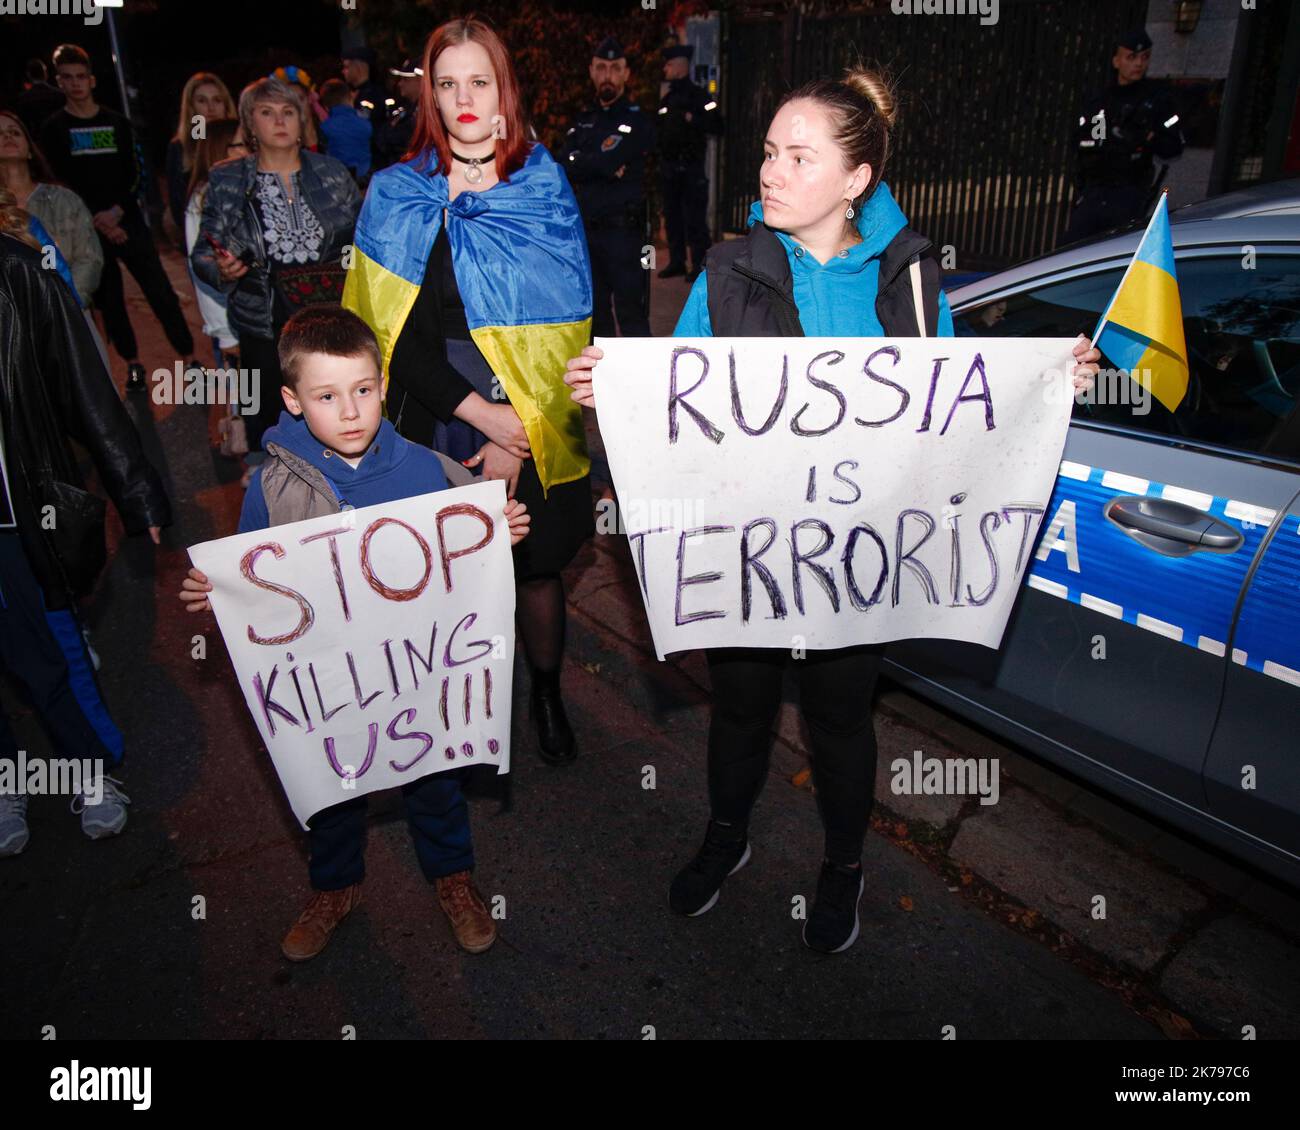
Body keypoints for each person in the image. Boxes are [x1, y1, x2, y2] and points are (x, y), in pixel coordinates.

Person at [565, 67, 1101, 953]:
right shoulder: (729, 268)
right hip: (747, 552)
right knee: (739, 708)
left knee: (841, 718)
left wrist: (1047, 382)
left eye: (798, 156)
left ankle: (843, 865)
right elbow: (681, 400)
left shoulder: (909, 276)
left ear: (855, 180)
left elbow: (950, 408)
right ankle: (727, 839)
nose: (770, 172)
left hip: (857, 562)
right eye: (769, 152)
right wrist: (609, 395)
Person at [178, 306, 530, 958]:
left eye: (364, 390)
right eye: (327, 396)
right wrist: (216, 593)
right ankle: (335, 884)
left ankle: (452, 877)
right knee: (333, 781)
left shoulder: (426, 469)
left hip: (417, 672)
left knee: (435, 774)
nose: (350, 411)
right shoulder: (272, 487)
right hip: (331, 680)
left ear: (381, 384)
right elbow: (254, 577)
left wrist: (497, 536)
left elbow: (465, 552)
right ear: (291, 399)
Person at [343, 17, 595, 766]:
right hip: (438, 412)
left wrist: (518, 430)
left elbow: (570, 327)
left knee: (535, 568)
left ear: (504, 91)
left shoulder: (543, 187)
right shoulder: (396, 193)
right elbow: (389, 338)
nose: (462, 98)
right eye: (445, 82)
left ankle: (544, 693)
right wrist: (482, 417)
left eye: (477, 81)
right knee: (440, 580)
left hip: (535, 416)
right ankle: (448, 715)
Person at [0, 224, 170, 858]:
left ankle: (86, 772)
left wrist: (136, 491)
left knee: (46, 657)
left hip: (15, 517)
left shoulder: (16, 270)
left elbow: (82, 386)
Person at [190, 75, 360, 482]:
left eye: (289, 112)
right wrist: (220, 268)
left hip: (329, 313)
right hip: (263, 319)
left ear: (303, 121)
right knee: (272, 413)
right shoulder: (228, 179)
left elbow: (365, 241)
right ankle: (278, 494)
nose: (280, 121)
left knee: (332, 400)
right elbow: (201, 254)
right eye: (267, 113)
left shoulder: (334, 174)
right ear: (250, 124)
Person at [39, 43, 196, 393]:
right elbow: (57, 179)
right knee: (110, 300)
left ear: (92, 80)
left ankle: (188, 357)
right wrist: (96, 220)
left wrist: (116, 213)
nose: (76, 84)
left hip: (125, 221)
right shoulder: (53, 130)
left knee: (160, 291)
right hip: (87, 229)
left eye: (81, 77)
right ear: (59, 82)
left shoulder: (117, 123)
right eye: (67, 78)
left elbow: (137, 172)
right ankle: (133, 364)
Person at [561, 35, 654, 339]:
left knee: (632, 316)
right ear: (591, 71)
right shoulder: (583, 119)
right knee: (594, 318)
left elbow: (597, 163)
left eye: (615, 68)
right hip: (588, 235)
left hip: (625, 236)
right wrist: (599, 164)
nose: (607, 75)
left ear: (626, 74)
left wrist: (588, 162)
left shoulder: (636, 120)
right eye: (601, 68)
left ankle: (641, 385)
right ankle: (600, 386)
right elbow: (565, 163)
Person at [1063, 27, 1184, 244]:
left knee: (1117, 254)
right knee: (1072, 251)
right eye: (1131, 57)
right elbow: (1080, 141)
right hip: (1094, 191)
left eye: (1144, 57)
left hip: (1129, 193)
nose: (1139, 64)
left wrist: (1148, 138)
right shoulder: (1099, 99)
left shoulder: (1156, 101)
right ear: (1116, 61)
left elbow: (1173, 147)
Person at [0, 109, 102, 304]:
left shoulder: (64, 199)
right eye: (0, 133)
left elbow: (89, 259)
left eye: (15, 132)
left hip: (70, 312)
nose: (7, 136)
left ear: (30, 150)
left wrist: (68, 306)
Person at [656, 43, 721, 283]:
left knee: (695, 218)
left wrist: (693, 119)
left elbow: (717, 125)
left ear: (681, 66)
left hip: (692, 168)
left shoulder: (700, 96)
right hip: (670, 168)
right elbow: (660, 130)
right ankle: (676, 261)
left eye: (669, 65)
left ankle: (699, 264)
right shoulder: (668, 97)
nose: (666, 69)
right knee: (672, 217)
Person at [182, 118, 242, 364]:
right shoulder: (205, 199)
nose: (249, 150)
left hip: (261, 324)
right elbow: (204, 274)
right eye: (239, 144)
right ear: (220, 150)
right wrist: (226, 335)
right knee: (248, 395)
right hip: (234, 325)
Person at [165, 72, 237, 235]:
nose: (211, 108)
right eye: (202, 101)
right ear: (192, 107)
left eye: (217, 100)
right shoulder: (181, 146)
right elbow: (178, 205)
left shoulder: (243, 143)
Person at [317, 78, 372, 182]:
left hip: (337, 180)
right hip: (364, 179)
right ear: (349, 98)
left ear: (326, 107)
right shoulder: (365, 124)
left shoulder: (325, 128)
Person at [373, 57, 422, 169]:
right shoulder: (404, 109)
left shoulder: (427, 113)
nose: (400, 84)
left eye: (406, 80)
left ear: (421, 81)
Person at [16, 58, 64, 136]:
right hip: (57, 136)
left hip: (36, 140)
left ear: (29, 75)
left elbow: (23, 124)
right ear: (45, 73)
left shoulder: (23, 98)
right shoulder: (59, 95)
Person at [341, 46, 388, 125]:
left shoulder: (373, 95)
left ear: (358, 67)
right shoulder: (353, 93)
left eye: (346, 67)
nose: (343, 71)